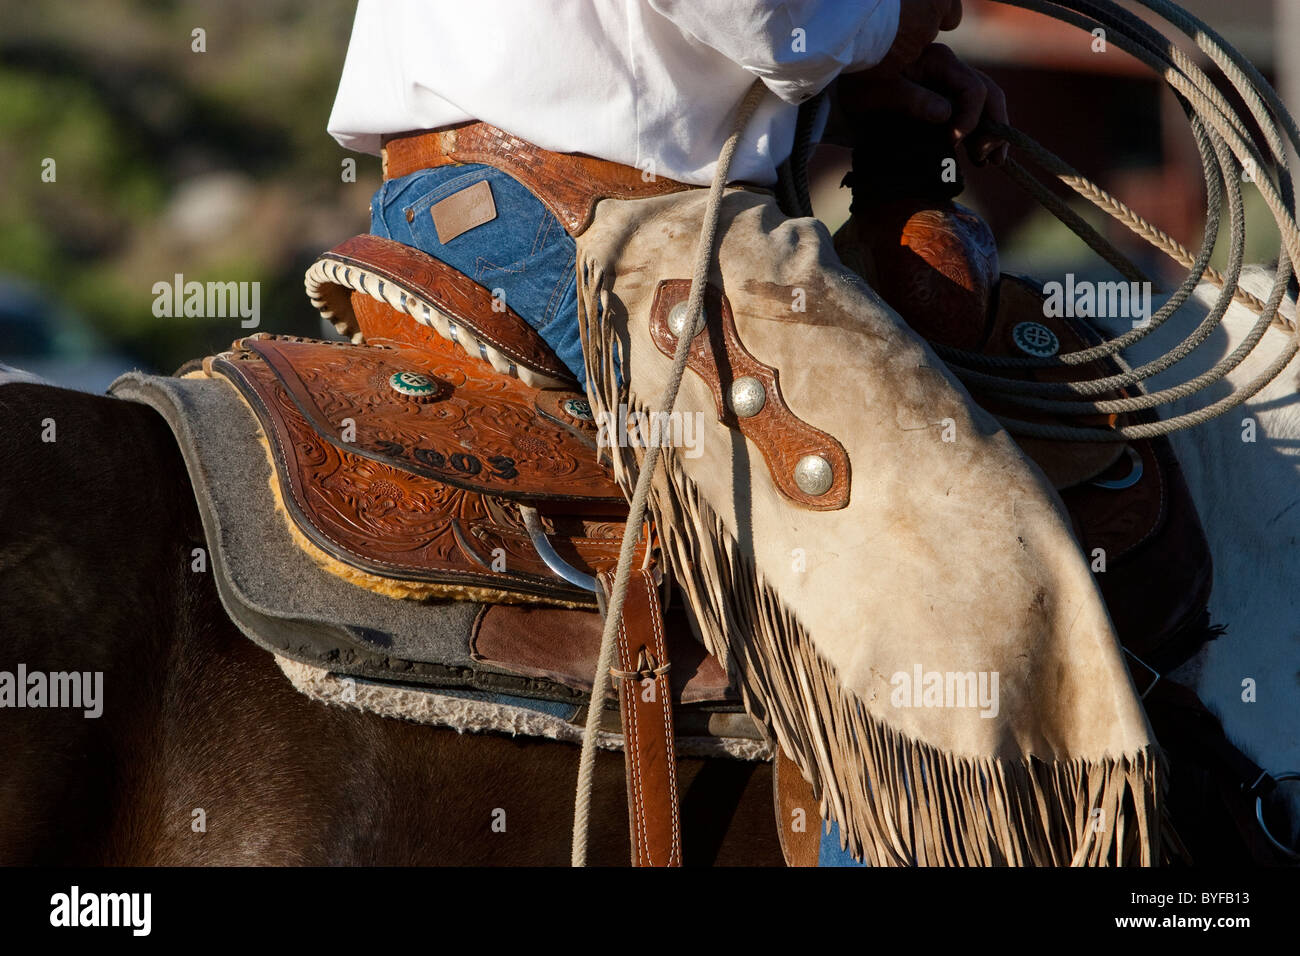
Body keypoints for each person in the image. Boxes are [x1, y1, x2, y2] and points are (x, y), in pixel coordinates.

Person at [328, 0, 1164, 866]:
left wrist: (858, 62)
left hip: (478, 190)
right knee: (967, 544)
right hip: (597, 207)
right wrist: (882, 21)